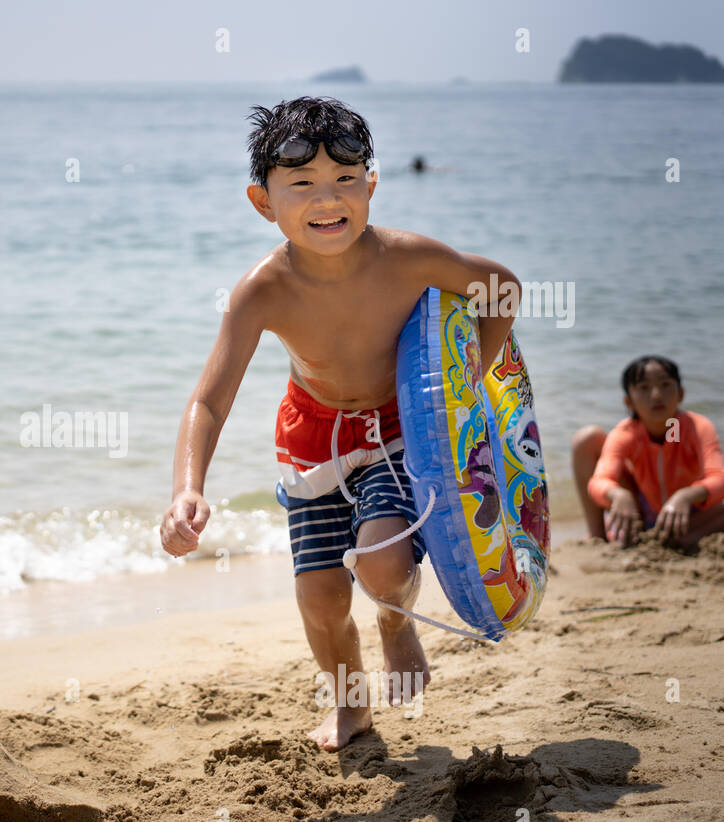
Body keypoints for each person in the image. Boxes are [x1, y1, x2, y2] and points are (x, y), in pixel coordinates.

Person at [158, 97, 522, 752]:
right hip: (311, 441)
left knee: (382, 564)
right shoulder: (262, 290)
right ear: (262, 201)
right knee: (322, 602)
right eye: (301, 185)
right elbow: (208, 401)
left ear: (372, 185)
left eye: (346, 180)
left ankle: (392, 618)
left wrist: (466, 397)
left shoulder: (408, 260)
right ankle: (351, 706)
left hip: (398, 432)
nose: (328, 199)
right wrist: (188, 487)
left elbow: (500, 289)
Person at [571, 356, 724, 549]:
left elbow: (718, 478)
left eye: (666, 384)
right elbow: (599, 481)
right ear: (629, 402)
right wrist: (618, 494)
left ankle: (679, 538)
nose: (656, 395)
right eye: (644, 387)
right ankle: (597, 537)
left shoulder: (696, 427)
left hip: (692, 512)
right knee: (587, 438)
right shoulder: (627, 433)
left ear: (681, 394)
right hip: (641, 513)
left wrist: (685, 496)